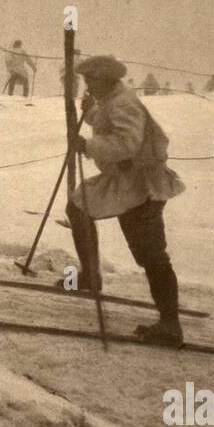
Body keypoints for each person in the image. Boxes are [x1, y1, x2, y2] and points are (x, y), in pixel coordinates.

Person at [63, 55, 186, 345]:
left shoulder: (124, 102)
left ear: (105, 80)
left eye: (90, 81)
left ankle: (170, 325)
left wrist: (88, 144)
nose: (87, 86)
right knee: (78, 206)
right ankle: (91, 276)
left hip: (142, 185)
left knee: (151, 254)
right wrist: (91, 112)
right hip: (124, 181)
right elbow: (109, 121)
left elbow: (127, 143)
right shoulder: (112, 99)